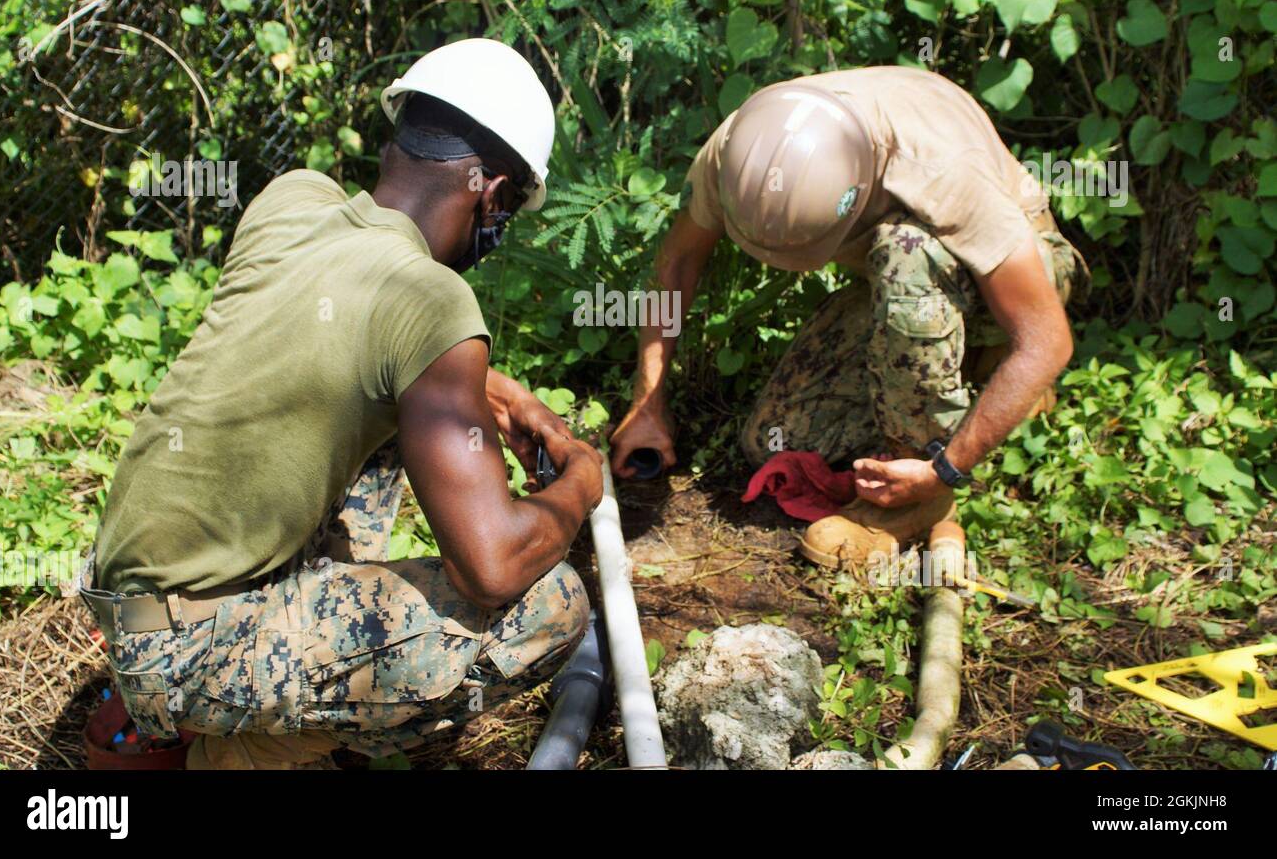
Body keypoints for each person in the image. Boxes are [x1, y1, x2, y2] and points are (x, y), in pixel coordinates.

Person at [81, 39, 603, 769]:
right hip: (189, 649)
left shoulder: (292, 201)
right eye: (508, 213)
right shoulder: (432, 300)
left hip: (128, 606)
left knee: (394, 423)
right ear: (492, 194)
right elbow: (493, 568)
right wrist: (580, 480)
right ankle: (217, 755)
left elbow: (342, 328)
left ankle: (202, 702)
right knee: (551, 607)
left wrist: (505, 396)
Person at [609, 67, 1088, 567]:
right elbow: (680, 262)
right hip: (904, 290)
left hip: (1017, 275)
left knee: (905, 251)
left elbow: (1047, 341)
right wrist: (648, 401)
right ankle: (978, 373)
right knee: (777, 440)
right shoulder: (747, 146)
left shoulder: (940, 172)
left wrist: (944, 470)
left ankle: (914, 488)